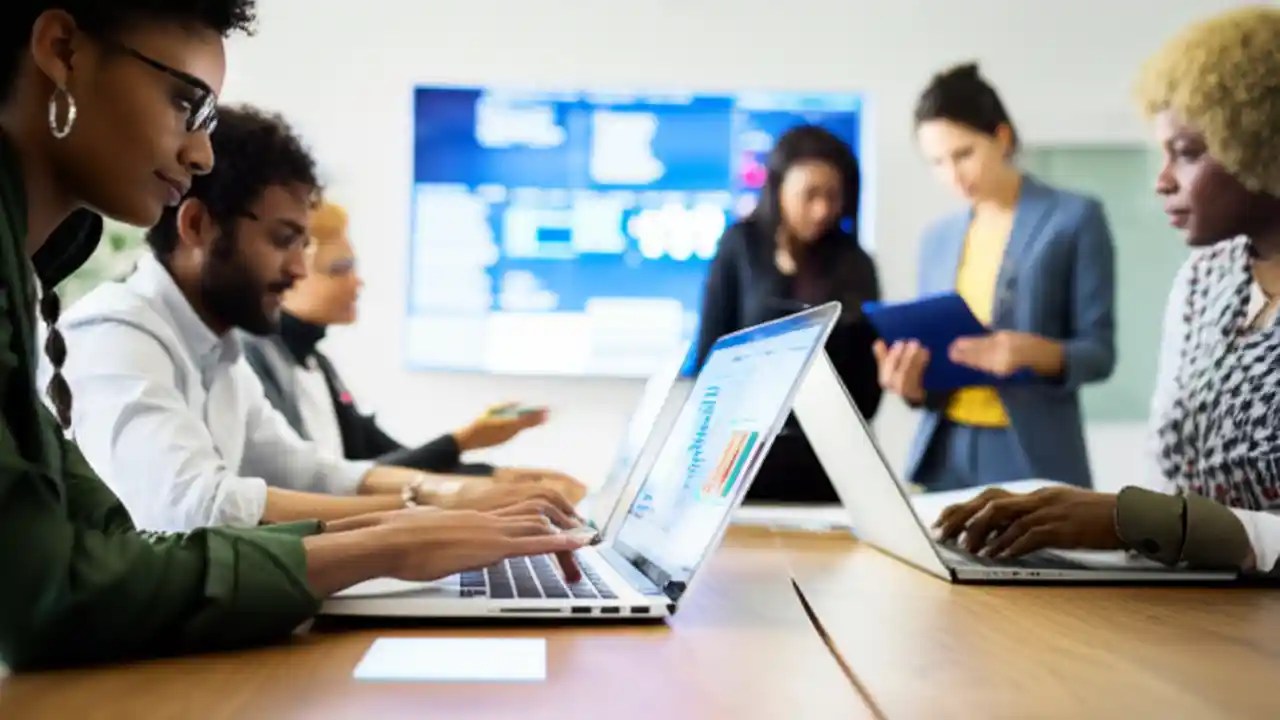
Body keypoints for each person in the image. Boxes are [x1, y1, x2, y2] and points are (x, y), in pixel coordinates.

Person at [0, 2, 590, 671]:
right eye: (184, 103)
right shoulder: (114, 333)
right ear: (61, 49)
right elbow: (97, 567)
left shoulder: (199, 343)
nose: (199, 153)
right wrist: (402, 531)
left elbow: (293, 475)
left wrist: (443, 509)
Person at [52, 104, 584, 533]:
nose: (297, 269)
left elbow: (310, 471)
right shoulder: (114, 332)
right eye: (284, 240)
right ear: (196, 226)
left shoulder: (221, 353)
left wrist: (460, 491)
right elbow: (198, 505)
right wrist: (440, 514)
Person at [935, 6, 1280, 575]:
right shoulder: (1204, 280)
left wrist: (1134, 519)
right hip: (1182, 609)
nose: (1162, 179)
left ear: (1263, 146)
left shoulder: (1070, 218)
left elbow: (1163, 514)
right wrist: (1109, 528)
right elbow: (1164, 483)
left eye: (1188, 153)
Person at [876, 63, 1117, 491]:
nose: (952, 175)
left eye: (963, 154)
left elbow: (1099, 353)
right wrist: (909, 384)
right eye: (937, 162)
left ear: (1001, 138)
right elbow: (935, 364)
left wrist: (1030, 352)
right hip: (944, 451)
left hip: (1030, 452)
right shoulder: (936, 238)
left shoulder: (1074, 218)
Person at [240, 200, 546, 476]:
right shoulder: (252, 360)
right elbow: (327, 483)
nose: (356, 282)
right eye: (340, 269)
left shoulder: (317, 365)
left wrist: (495, 475)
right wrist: (465, 440)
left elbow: (387, 461)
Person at [694, 124, 881, 503]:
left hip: (828, 462)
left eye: (833, 196)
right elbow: (709, 359)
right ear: (778, 189)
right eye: (809, 194)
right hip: (741, 458)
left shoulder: (855, 263)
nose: (823, 209)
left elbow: (866, 391)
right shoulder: (740, 246)